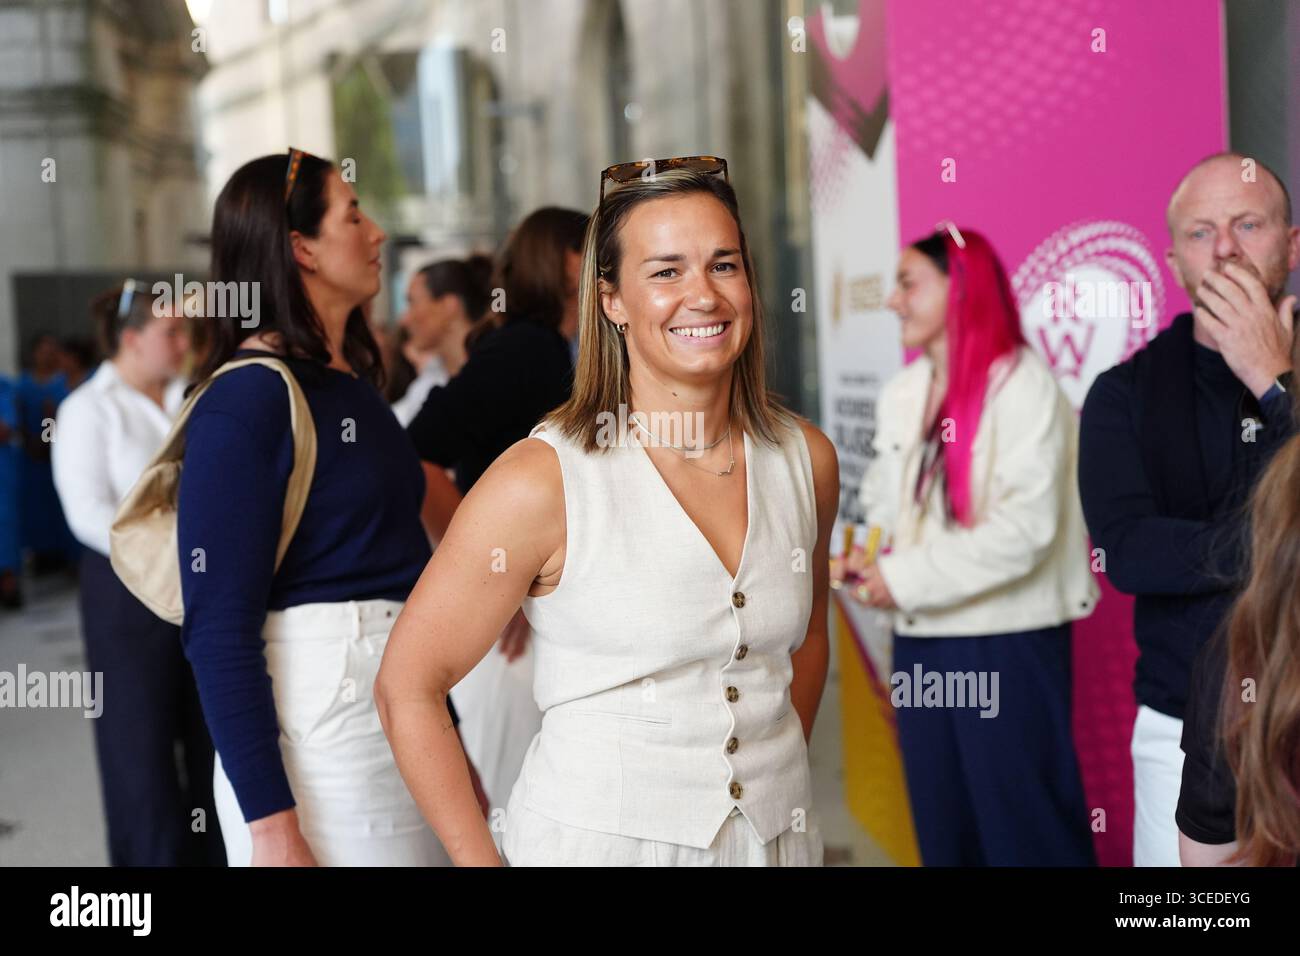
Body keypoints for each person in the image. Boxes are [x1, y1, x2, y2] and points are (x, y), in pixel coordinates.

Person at [376, 159, 837, 866]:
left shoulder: (805, 459)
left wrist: (765, 789)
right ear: (611, 299)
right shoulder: (544, 479)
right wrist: (478, 859)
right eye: (665, 272)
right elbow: (407, 684)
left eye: (724, 265)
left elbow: (805, 642)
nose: (703, 295)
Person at [176, 149, 482, 867]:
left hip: (397, 713)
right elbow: (217, 629)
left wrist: (452, 742)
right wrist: (273, 827)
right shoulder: (245, 399)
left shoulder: (348, 388)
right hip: (320, 739)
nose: (375, 234)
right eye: (353, 214)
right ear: (300, 248)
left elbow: (405, 576)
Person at [851, 225, 1098, 866]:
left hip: (1006, 644)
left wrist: (899, 578)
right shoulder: (904, 394)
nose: (893, 301)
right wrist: (865, 555)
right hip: (921, 644)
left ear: (958, 289)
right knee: (945, 828)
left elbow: (1024, 534)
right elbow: (884, 503)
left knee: (1026, 833)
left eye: (909, 284)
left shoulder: (1024, 387)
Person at [1079, 152, 1299, 866]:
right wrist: (1279, 547)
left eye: (1248, 223)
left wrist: (1275, 381)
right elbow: (1131, 551)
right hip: (1179, 727)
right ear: (1173, 261)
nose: (1227, 247)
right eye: (1202, 232)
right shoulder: (1123, 393)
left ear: (1291, 244)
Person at [50, 281, 224, 866]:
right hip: (125, 594)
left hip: (198, 590)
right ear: (130, 339)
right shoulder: (87, 409)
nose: (184, 343)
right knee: (139, 750)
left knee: (210, 737)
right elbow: (86, 514)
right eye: (170, 332)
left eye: (186, 331)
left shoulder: (191, 397)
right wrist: (168, 547)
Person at [391, 254, 493, 427]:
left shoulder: (494, 378)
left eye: (412, 302)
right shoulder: (430, 380)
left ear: (448, 306)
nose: (404, 319)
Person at [17, 333, 78, 573]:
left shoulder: (64, 383)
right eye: (43, 349)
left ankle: (68, 556)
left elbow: (51, 422)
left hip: (57, 452)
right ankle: (42, 556)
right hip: (31, 458)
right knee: (36, 508)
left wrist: (45, 439)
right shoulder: (23, 385)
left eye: (53, 349)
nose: (49, 354)